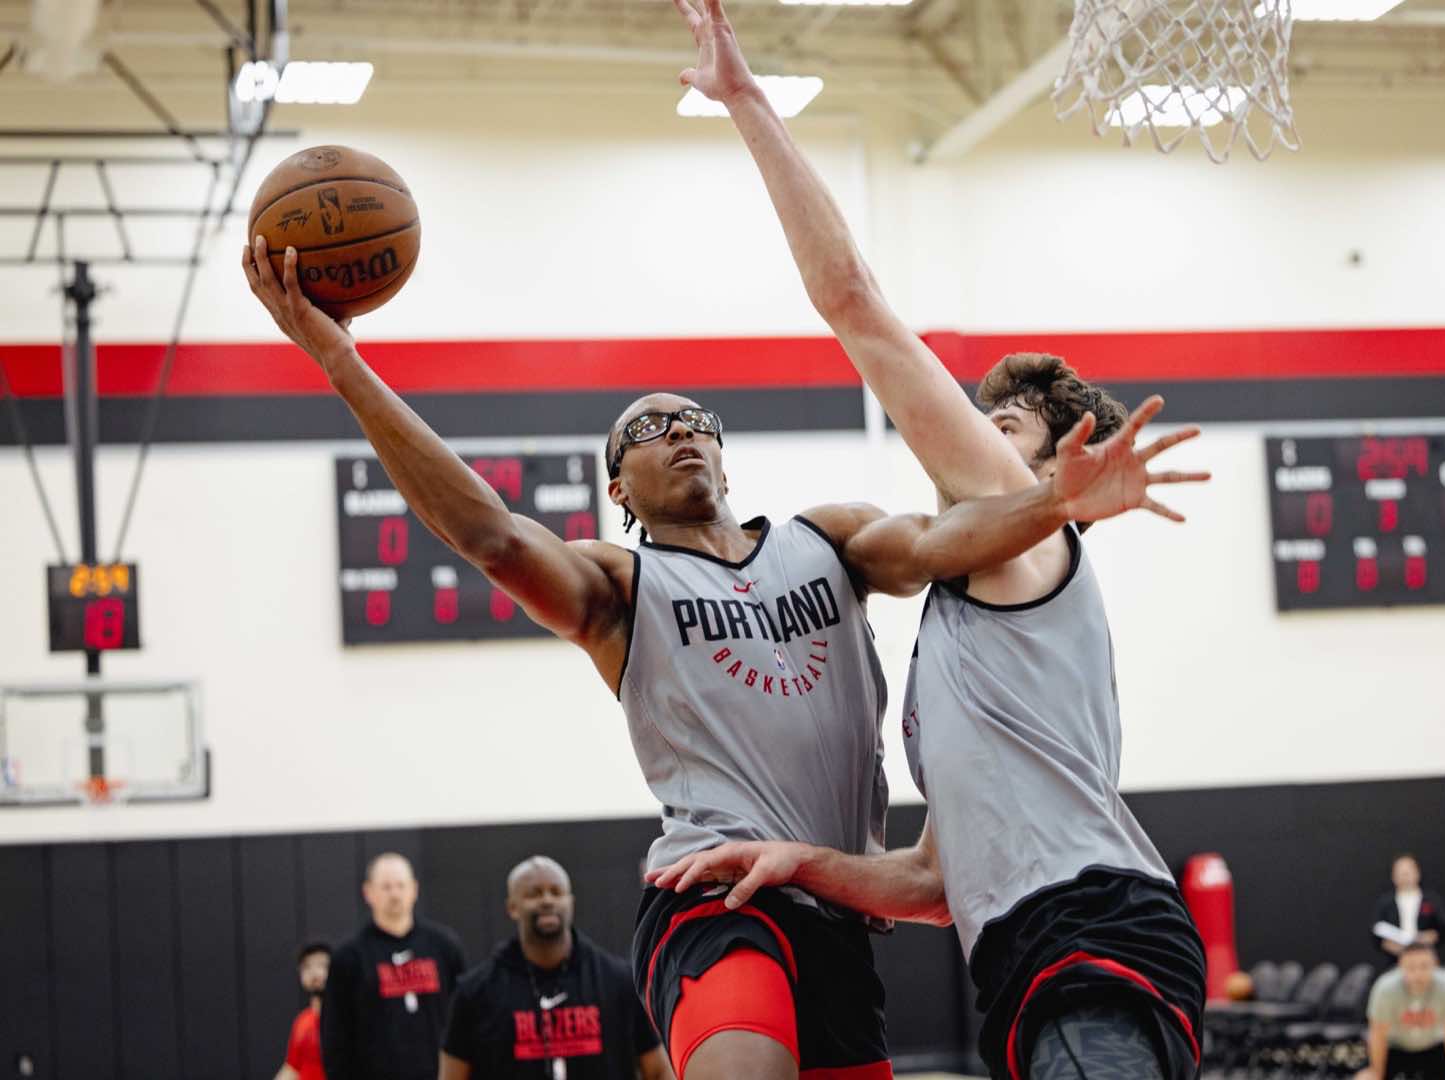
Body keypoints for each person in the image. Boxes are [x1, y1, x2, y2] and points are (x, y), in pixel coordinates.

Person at [244, 220, 1195, 1080]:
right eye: (649, 430)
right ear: (619, 484)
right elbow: (490, 535)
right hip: (713, 898)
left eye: (696, 421)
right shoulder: (619, 588)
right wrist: (341, 361)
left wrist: (1053, 504)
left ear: (726, 456)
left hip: (835, 911)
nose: (681, 433)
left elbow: (950, 542)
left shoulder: (828, 541)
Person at [651, 5, 1211, 1079]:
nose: (970, 434)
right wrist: (802, 862)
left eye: (1001, 431)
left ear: (1051, 470)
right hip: (1032, 955)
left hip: (1090, 938)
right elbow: (937, 882)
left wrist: (751, 104)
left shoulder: (1020, 543)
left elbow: (852, 301)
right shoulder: (969, 606)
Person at [441, 857, 673, 1080]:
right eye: (534, 893)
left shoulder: (619, 982)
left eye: (556, 892)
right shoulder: (474, 993)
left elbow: (658, 1070)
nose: (547, 900)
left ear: (570, 902)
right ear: (512, 907)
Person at [321, 853, 467, 1080]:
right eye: (386, 887)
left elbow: (465, 1019)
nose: (395, 894)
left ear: (414, 889)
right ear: (368, 892)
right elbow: (335, 1035)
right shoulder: (348, 956)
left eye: (401, 885)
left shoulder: (444, 946)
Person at [1354, 944, 1445, 1080]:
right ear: (1400, 966)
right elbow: (1378, 1035)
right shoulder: (1385, 989)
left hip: (1435, 1047)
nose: (1418, 974)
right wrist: (1376, 1072)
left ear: (1435, 965)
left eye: (1424, 966)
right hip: (1395, 1048)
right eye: (1411, 967)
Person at [1370, 854, 1445, 963]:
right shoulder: (1385, 903)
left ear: (1417, 873)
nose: (1405, 875)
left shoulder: (1432, 900)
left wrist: (1427, 938)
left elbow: (1442, 927)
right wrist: (1391, 945)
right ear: (1393, 876)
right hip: (1394, 961)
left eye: (1408, 871)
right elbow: (1377, 931)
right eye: (1400, 872)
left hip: (1426, 958)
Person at [274, 941, 332, 1080]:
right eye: (307, 967)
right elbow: (292, 1067)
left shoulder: (349, 1018)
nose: (315, 973)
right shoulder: (302, 1021)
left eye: (322, 965)